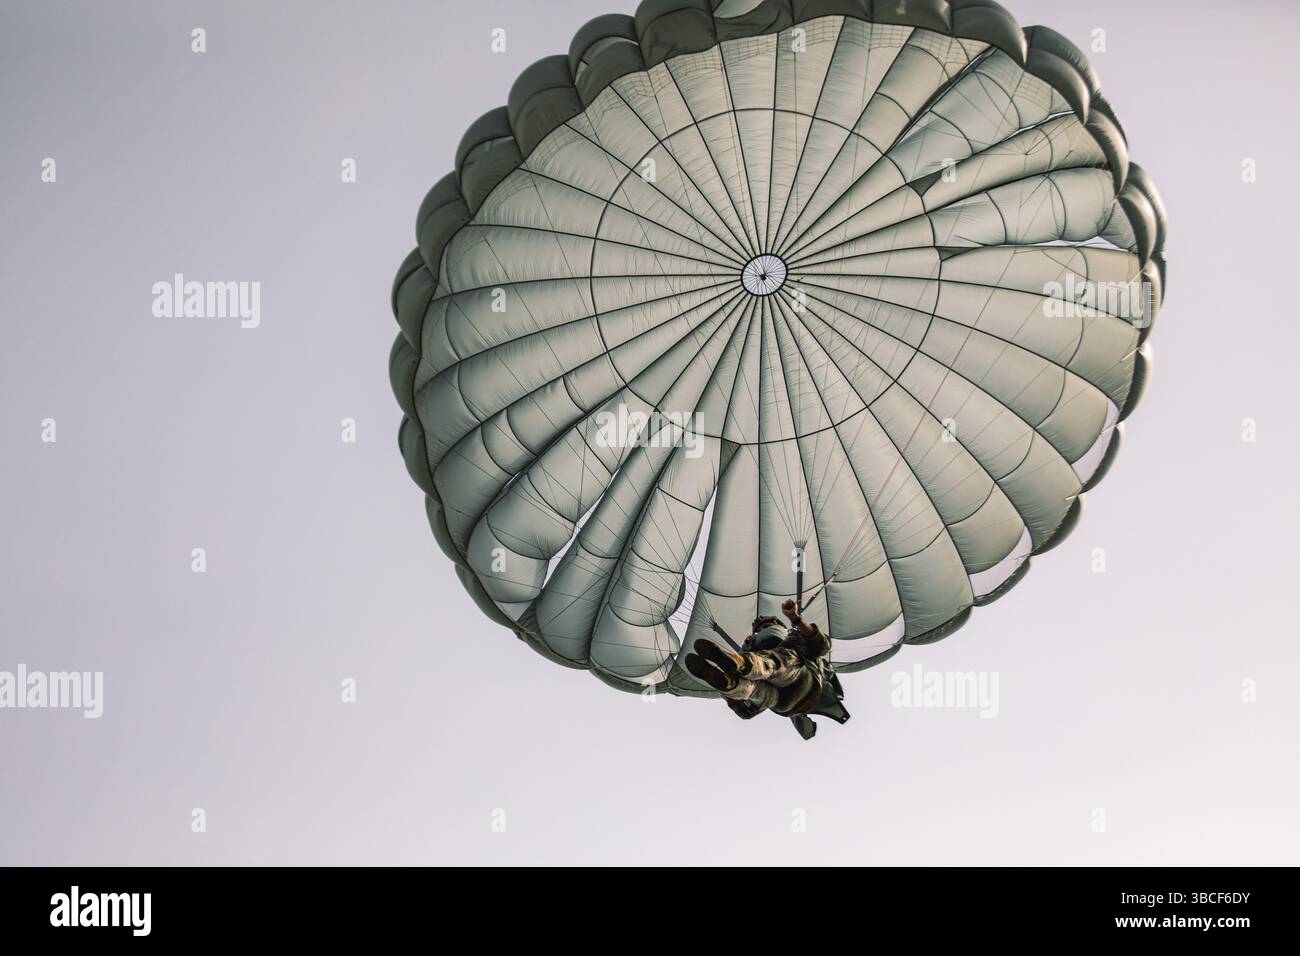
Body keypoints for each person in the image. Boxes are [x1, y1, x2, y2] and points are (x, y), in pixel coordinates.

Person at [686, 599, 849, 738]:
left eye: (767, 627)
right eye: (759, 631)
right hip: (782, 703)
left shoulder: (794, 640)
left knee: (777, 662)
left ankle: (742, 665)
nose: (762, 632)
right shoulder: (753, 649)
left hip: (804, 679)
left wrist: (795, 618)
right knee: (751, 690)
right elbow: (746, 711)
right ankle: (729, 683)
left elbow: (822, 645)